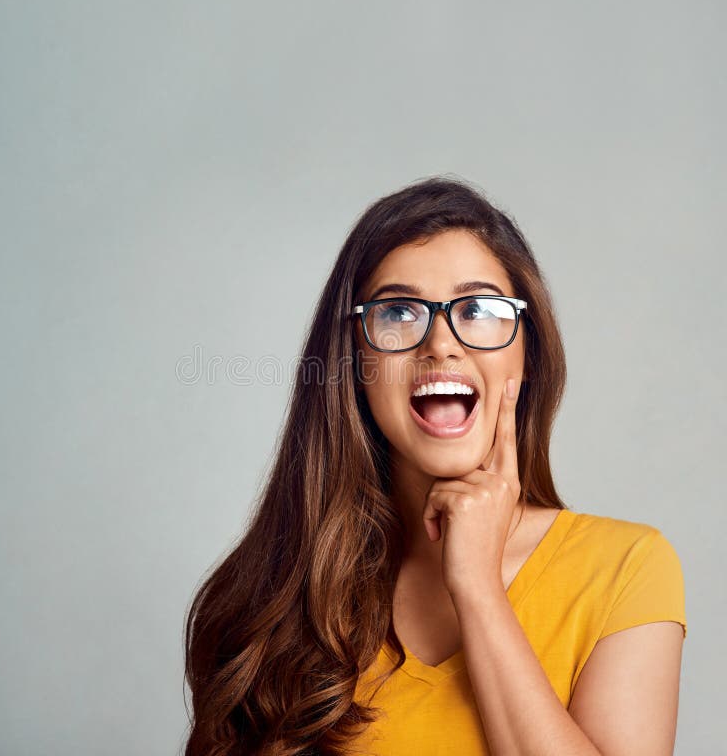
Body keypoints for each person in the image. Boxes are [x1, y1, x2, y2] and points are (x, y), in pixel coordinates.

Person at [182, 176, 687, 756]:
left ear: (529, 350)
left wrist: (476, 586)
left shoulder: (626, 570)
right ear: (354, 360)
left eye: (478, 309)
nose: (441, 344)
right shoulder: (266, 597)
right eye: (398, 311)